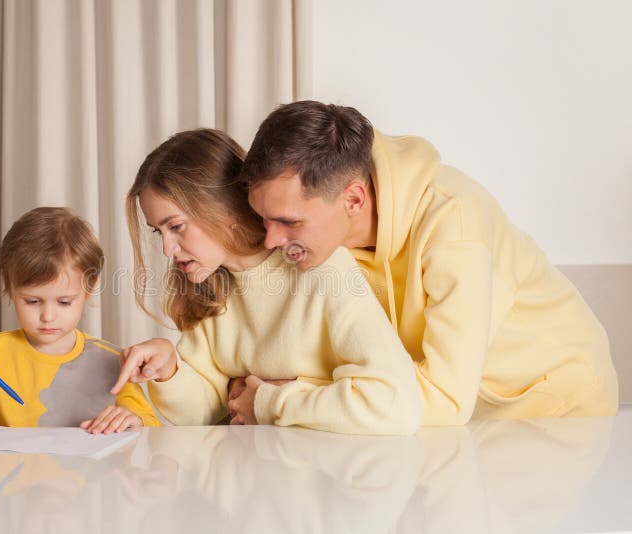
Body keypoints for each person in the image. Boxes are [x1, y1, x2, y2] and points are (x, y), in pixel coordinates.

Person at [240, 100, 619, 424]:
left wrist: (280, 401)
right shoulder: (324, 239)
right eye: (264, 219)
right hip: (465, 421)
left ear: (353, 200)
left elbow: (445, 401)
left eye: (289, 222)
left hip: (557, 412)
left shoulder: (453, 222)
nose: (271, 240)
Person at [107, 128, 421, 435]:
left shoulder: (322, 268)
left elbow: (396, 404)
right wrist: (168, 369)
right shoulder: (209, 288)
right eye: (157, 231)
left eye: (175, 226)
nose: (166, 249)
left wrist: (267, 402)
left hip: (325, 476)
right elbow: (202, 413)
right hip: (252, 474)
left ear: (222, 208)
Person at [0, 207, 160, 433]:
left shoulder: (114, 361)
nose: (48, 317)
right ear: (9, 286)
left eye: (64, 302)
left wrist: (134, 421)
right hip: (9, 486)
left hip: (91, 487)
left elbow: (153, 431)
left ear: (89, 289)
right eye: (33, 301)